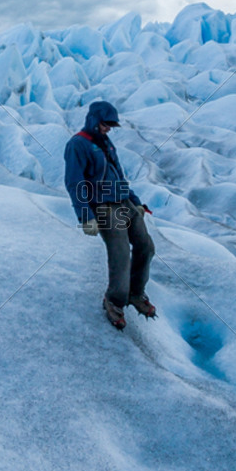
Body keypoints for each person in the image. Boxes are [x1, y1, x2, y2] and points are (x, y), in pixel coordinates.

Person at [64, 100, 156, 329]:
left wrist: (135, 202)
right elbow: (75, 183)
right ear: (94, 119)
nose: (108, 128)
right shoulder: (77, 145)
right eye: (106, 124)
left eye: (111, 125)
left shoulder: (106, 143)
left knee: (146, 246)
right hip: (103, 207)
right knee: (121, 253)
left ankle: (135, 293)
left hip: (123, 201)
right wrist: (85, 216)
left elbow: (118, 176)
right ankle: (114, 301)